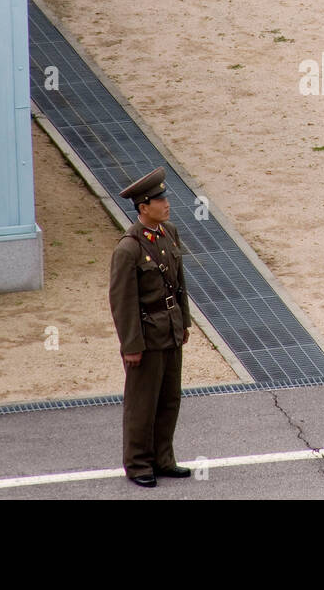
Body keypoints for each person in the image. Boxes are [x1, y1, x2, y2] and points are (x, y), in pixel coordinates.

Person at [109, 166, 192, 487]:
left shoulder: (168, 232)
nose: (166, 203)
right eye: (160, 199)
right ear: (144, 207)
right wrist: (131, 345)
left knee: (169, 398)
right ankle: (138, 463)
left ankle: (163, 458)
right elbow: (122, 301)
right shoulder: (128, 248)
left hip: (169, 329)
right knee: (142, 403)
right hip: (146, 334)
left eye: (165, 197)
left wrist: (184, 322)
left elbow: (179, 284)